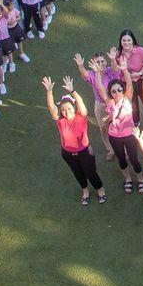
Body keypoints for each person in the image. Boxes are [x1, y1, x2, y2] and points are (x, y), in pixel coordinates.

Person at [44, 75, 106, 205]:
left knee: (91, 172)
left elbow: (81, 103)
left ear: (74, 107)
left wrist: (72, 91)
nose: (66, 112)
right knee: (77, 173)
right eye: (63, 110)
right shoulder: (60, 121)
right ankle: (85, 191)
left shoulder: (81, 116)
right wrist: (49, 91)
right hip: (67, 154)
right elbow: (51, 107)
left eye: (69, 109)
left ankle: (100, 190)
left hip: (84, 152)